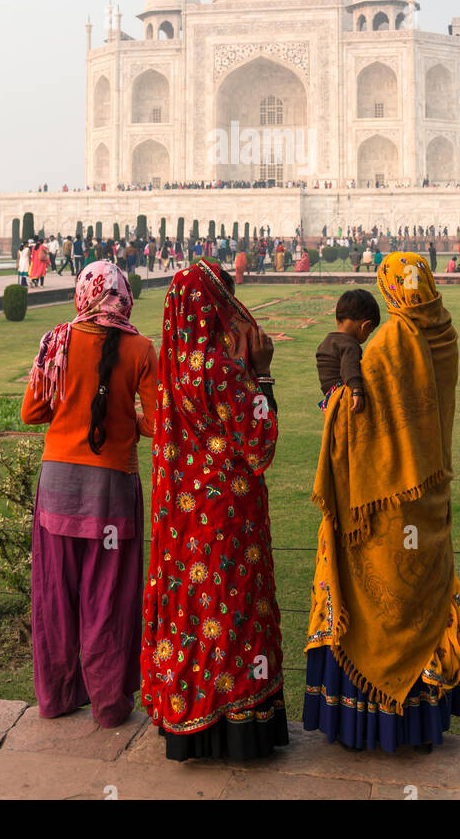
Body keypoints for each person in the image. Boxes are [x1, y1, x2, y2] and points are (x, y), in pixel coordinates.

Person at [302, 252, 460, 752]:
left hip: (383, 504)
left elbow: (349, 415)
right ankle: (419, 722)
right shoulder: (442, 332)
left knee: (382, 606)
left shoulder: (392, 345)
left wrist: (333, 396)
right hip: (430, 495)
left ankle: (371, 725)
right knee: (422, 601)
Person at [141, 260, 286, 761]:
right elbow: (260, 444)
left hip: (184, 519)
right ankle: (240, 725)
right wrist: (263, 377)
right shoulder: (220, 370)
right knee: (234, 614)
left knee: (192, 611)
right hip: (228, 518)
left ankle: (189, 720)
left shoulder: (174, 367)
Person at [21, 262, 157, 727]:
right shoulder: (141, 348)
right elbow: (159, 424)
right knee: (109, 599)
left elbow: (32, 412)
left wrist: (71, 407)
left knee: (56, 596)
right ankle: (109, 705)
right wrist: (128, 421)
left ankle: (56, 698)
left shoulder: (57, 339)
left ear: (83, 294)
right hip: (112, 491)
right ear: (123, 296)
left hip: (58, 487)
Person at [315, 288, 380, 414]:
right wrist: (357, 391)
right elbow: (349, 368)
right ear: (365, 325)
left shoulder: (327, 340)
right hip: (344, 396)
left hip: (329, 398)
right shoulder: (350, 345)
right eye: (369, 332)